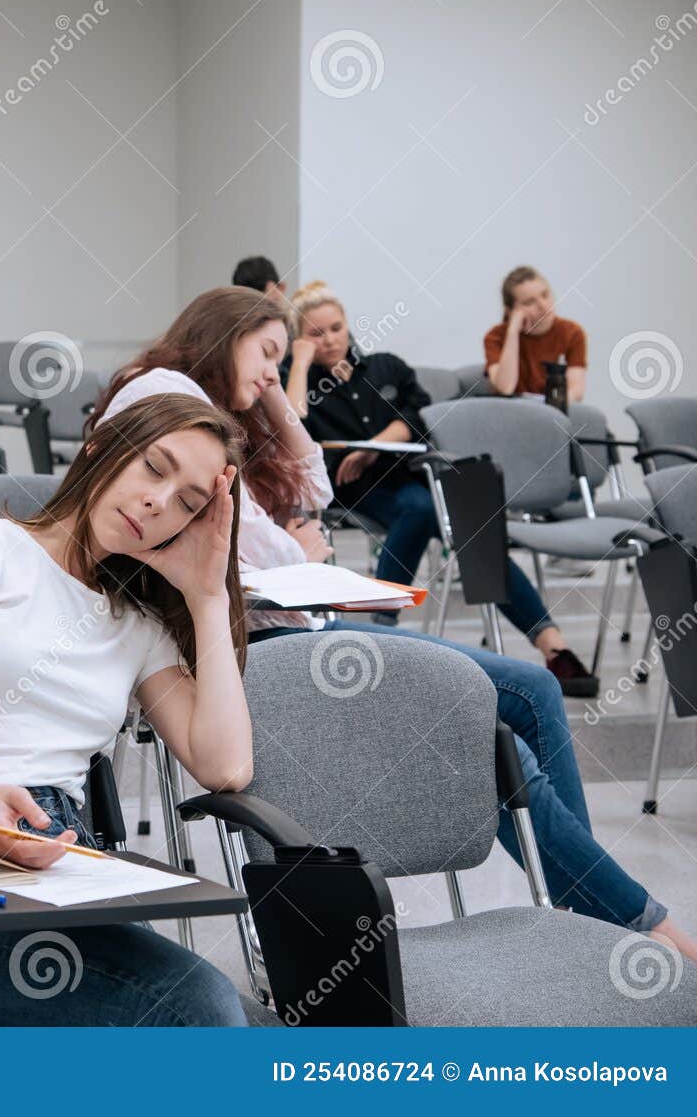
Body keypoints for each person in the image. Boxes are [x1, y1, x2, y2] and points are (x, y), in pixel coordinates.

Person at [93, 287, 697, 962]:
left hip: (292, 622)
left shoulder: (222, 410)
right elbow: (266, 549)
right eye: (264, 353)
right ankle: (627, 923)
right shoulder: (167, 391)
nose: (271, 371)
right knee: (490, 735)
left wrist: (273, 397)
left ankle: (589, 910)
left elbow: (315, 492)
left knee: (532, 690)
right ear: (221, 333)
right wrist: (299, 548)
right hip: (251, 643)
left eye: (279, 358)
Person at [0, 393, 252, 1026]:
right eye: (154, 467)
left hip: (62, 853)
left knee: (198, 1007)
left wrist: (208, 597)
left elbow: (225, 766)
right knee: (195, 1010)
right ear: (100, 448)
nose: (159, 502)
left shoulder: (139, 624)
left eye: (187, 504)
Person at [285, 281, 600, 694]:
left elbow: (418, 412)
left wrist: (373, 447)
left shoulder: (385, 366)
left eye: (336, 328)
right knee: (438, 515)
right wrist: (298, 362)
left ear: (348, 326)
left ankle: (383, 629)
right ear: (299, 339)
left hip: (411, 475)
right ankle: (552, 646)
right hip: (355, 489)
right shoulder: (299, 381)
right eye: (315, 334)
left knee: (469, 528)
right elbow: (292, 426)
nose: (329, 340)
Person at [483, 265, 586, 400]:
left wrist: (550, 404)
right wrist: (513, 332)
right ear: (510, 311)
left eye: (545, 295)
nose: (543, 306)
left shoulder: (572, 333)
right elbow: (505, 388)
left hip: (552, 408)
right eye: (529, 302)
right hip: (510, 409)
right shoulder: (495, 336)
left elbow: (576, 391)